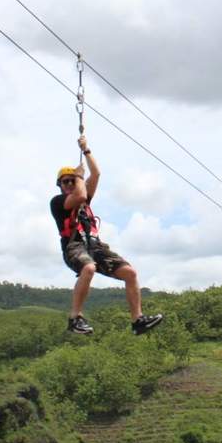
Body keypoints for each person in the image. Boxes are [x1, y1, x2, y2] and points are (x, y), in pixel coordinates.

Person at [50, 135, 163, 335]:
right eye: (65, 182)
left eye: (71, 181)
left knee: (130, 273)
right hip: (74, 246)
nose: (69, 184)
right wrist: (78, 177)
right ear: (60, 185)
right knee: (89, 268)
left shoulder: (83, 199)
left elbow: (96, 174)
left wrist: (86, 150)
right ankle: (75, 317)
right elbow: (82, 194)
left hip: (95, 246)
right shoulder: (58, 202)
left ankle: (137, 319)